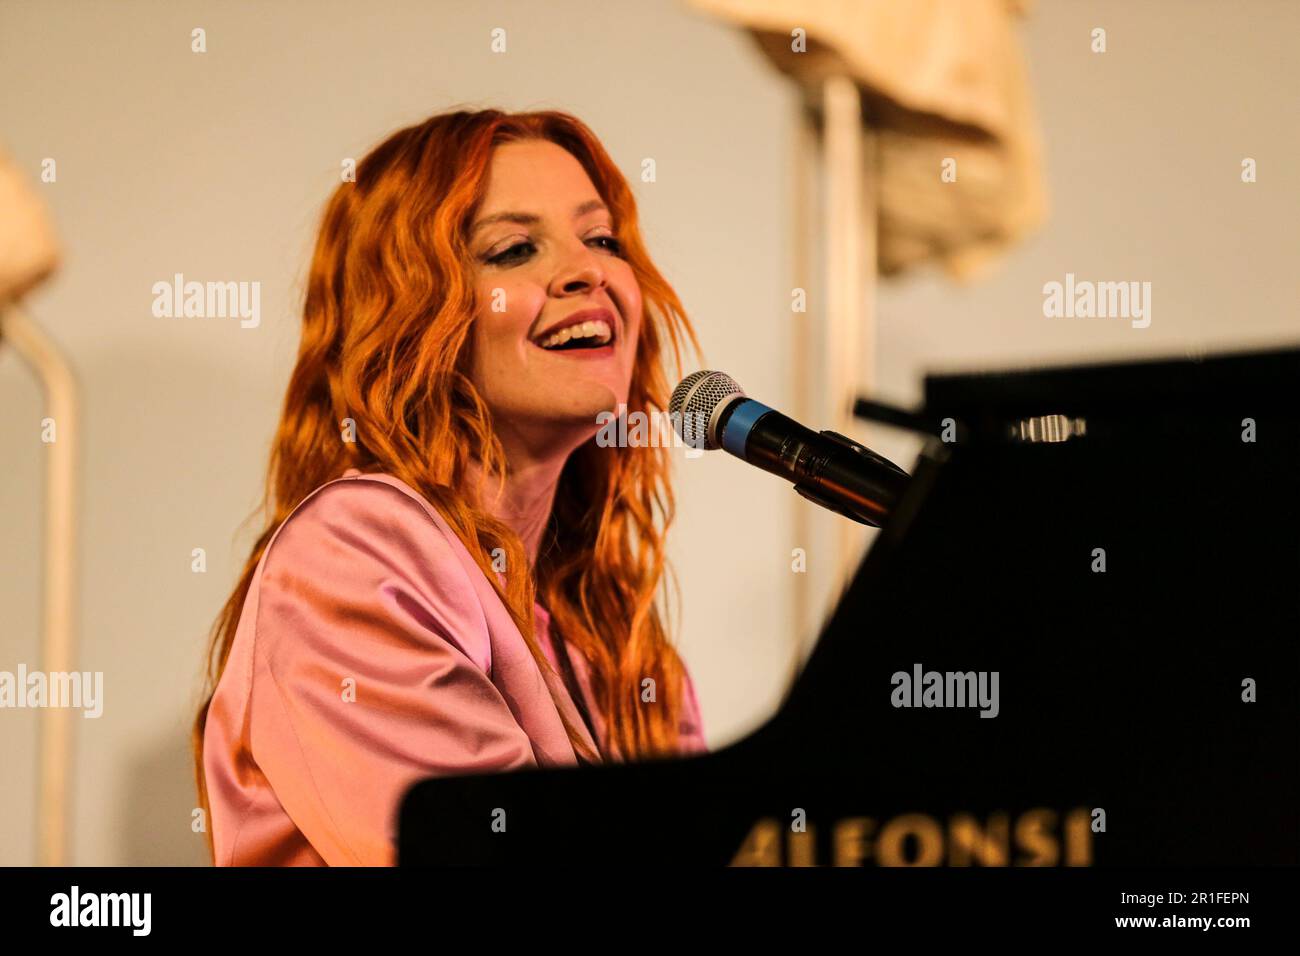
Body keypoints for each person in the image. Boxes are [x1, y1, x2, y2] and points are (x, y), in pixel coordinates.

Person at [192, 108, 707, 866]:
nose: (588, 270)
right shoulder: (356, 557)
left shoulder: (617, 644)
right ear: (411, 315)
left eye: (601, 238)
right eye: (512, 250)